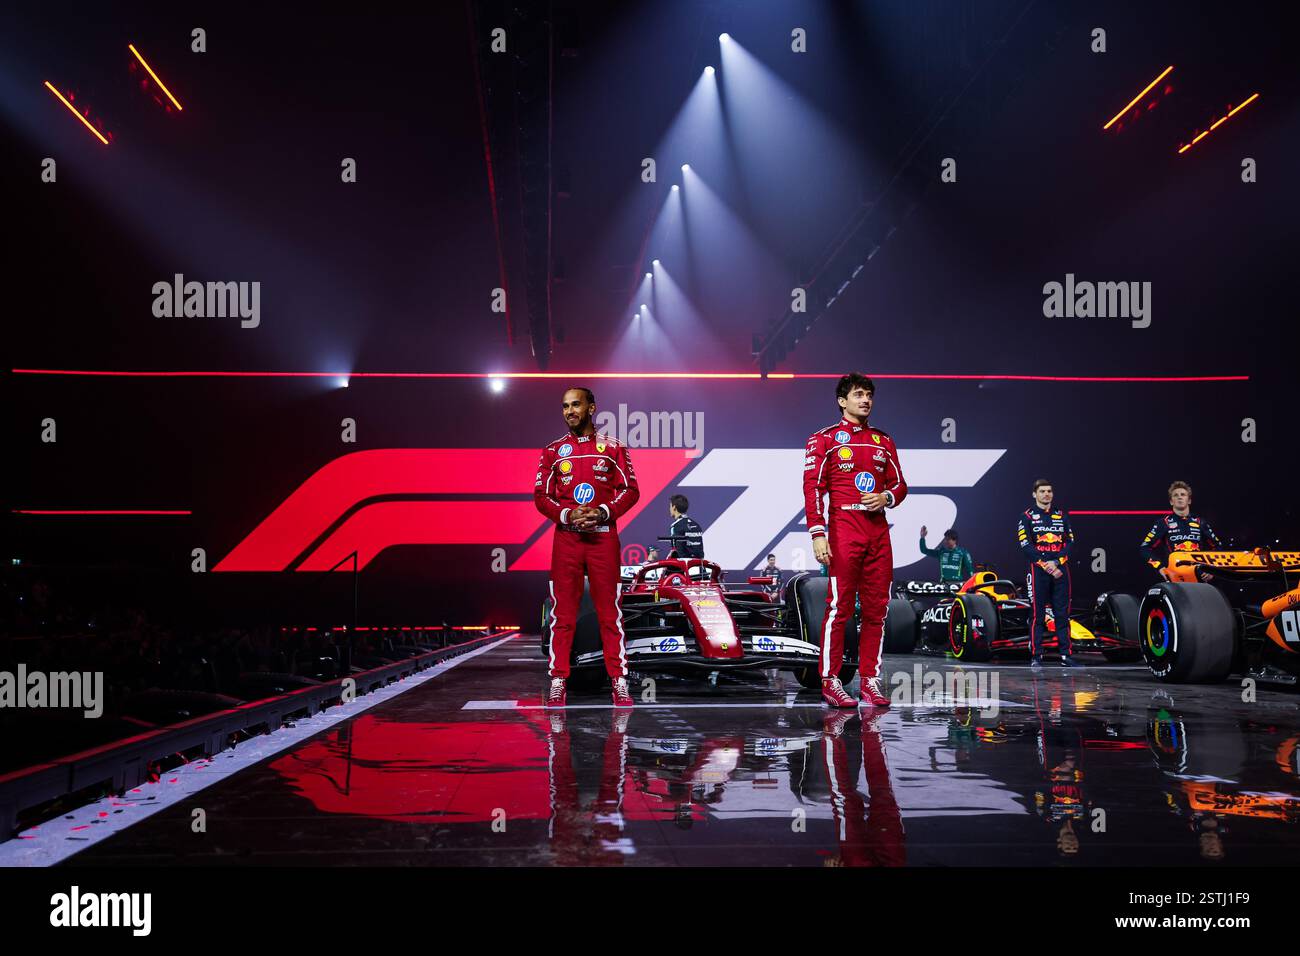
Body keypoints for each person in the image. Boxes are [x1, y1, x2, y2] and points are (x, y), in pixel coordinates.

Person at [802, 373, 908, 708]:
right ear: (842, 401)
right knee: (839, 608)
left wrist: (886, 497)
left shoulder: (883, 440)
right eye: (859, 394)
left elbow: (900, 485)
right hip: (843, 529)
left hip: (878, 531)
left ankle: (869, 681)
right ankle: (830, 680)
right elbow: (813, 488)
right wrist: (818, 533)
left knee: (877, 609)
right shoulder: (824, 439)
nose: (866, 400)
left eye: (869, 395)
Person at [534, 386, 640, 708]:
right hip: (566, 539)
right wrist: (567, 514)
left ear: (592, 408)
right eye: (565, 406)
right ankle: (558, 680)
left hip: (602, 538)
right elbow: (541, 496)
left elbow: (631, 490)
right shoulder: (553, 451)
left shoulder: (614, 448)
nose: (569, 411)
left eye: (576, 405)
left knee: (610, 613)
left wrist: (603, 512)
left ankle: (619, 681)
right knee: (562, 615)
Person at [1017, 479, 1078, 669]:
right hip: (1038, 570)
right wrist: (1046, 564)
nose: (1046, 494)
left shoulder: (1062, 515)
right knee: (1038, 614)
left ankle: (1066, 655)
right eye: (1042, 491)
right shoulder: (1026, 516)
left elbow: (1070, 542)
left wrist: (1057, 562)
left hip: (1060, 569)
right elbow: (1025, 545)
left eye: (1049, 491)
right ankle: (1036, 656)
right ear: (1034, 494)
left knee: (1062, 613)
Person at [1139, 481, 1224, 577]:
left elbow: (1218, 546)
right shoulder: (1163, 523)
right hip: (1174, 576)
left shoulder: (1200, 522)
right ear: (1171, 501)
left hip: (1199, 576)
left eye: (1183, 494)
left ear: (1189, 500)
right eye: (1176, 495)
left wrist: (1212, 569)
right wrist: (1159, 567)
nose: (1179, 497)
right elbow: (1145, 548)